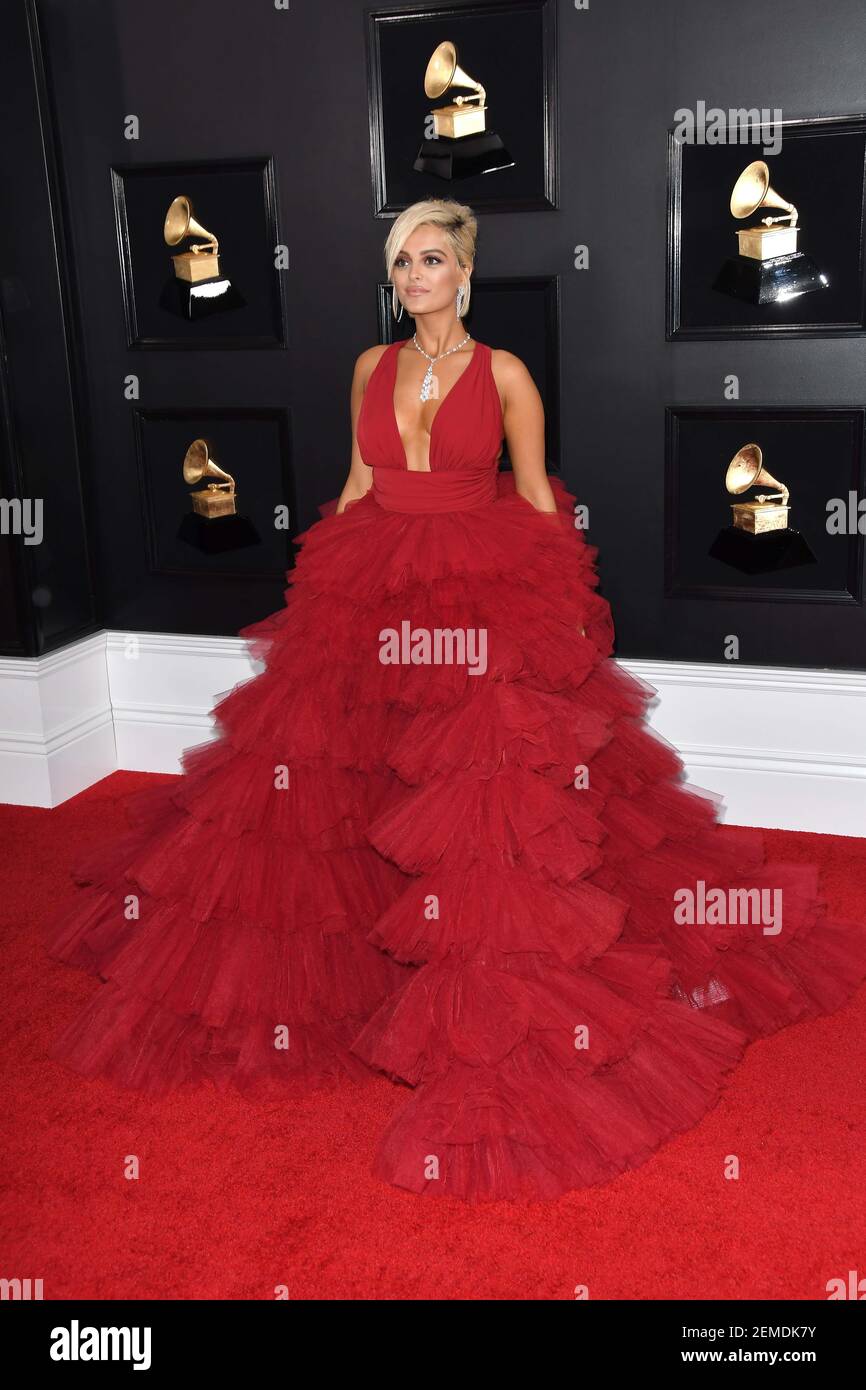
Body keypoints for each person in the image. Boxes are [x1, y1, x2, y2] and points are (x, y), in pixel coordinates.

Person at [43, 197, 866, 1202]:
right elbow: (353, 483)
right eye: (400, 264)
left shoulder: (505, 375)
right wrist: (316, 601)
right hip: (369, 578)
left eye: (431, 260)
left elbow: (529, 497)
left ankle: (490, 1010)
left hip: (478, 594)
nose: (413, 277)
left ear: (464, 274)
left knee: (482, 808)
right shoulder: (368, 369)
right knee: (326, 794)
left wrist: (555, 608)